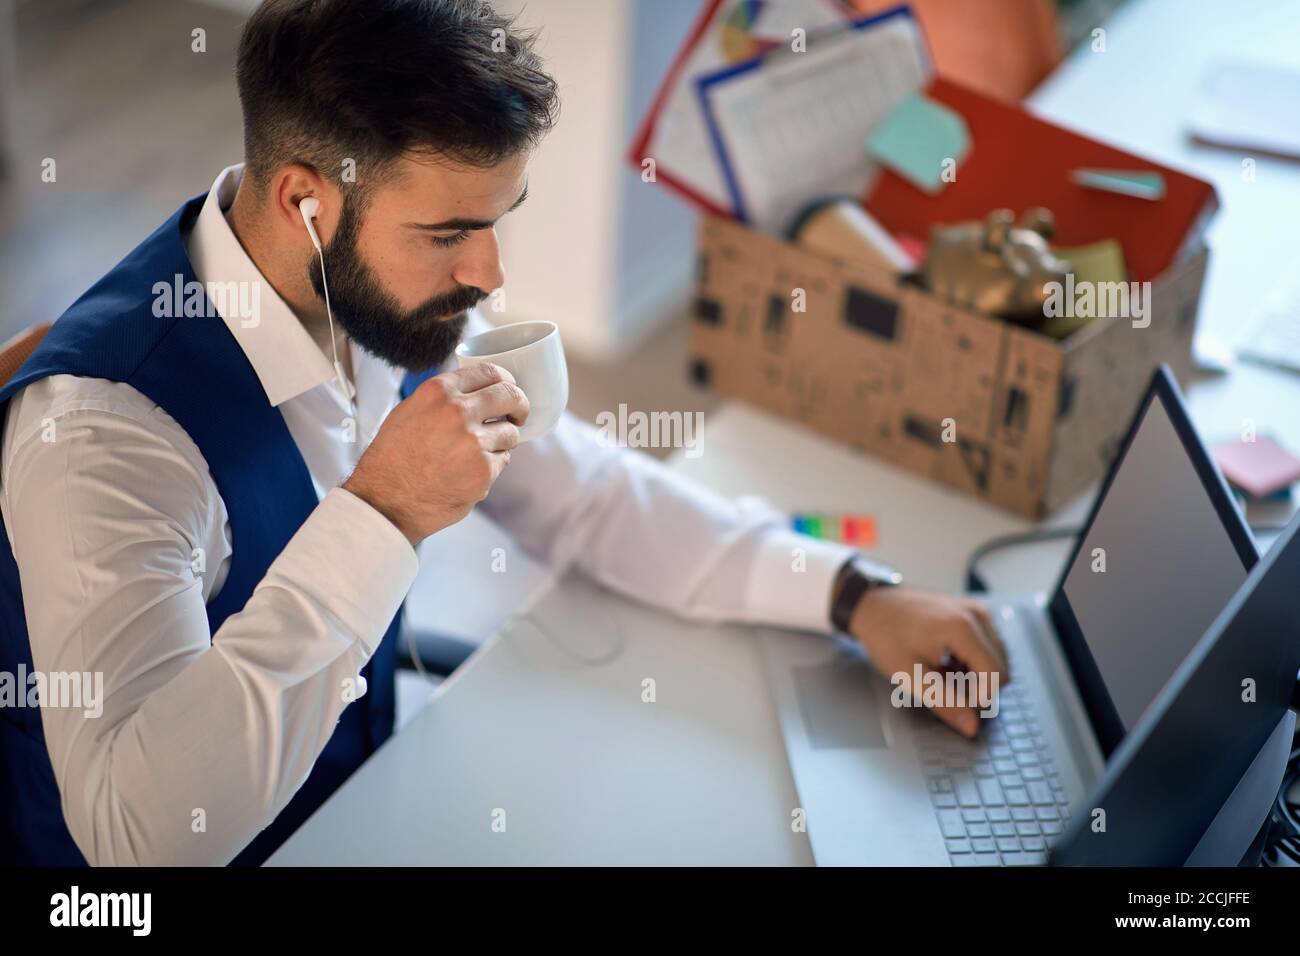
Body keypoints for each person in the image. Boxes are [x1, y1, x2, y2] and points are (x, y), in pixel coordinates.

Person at [0, 0, 1006, 866]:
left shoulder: (384, 292)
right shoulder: (106, 437)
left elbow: (587, 495)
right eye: (447, 234)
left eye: (499, 218)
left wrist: (849, 592)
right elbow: (142, 835)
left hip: (362, 793)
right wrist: (383, 515)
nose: (490, 275)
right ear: (304, 200)